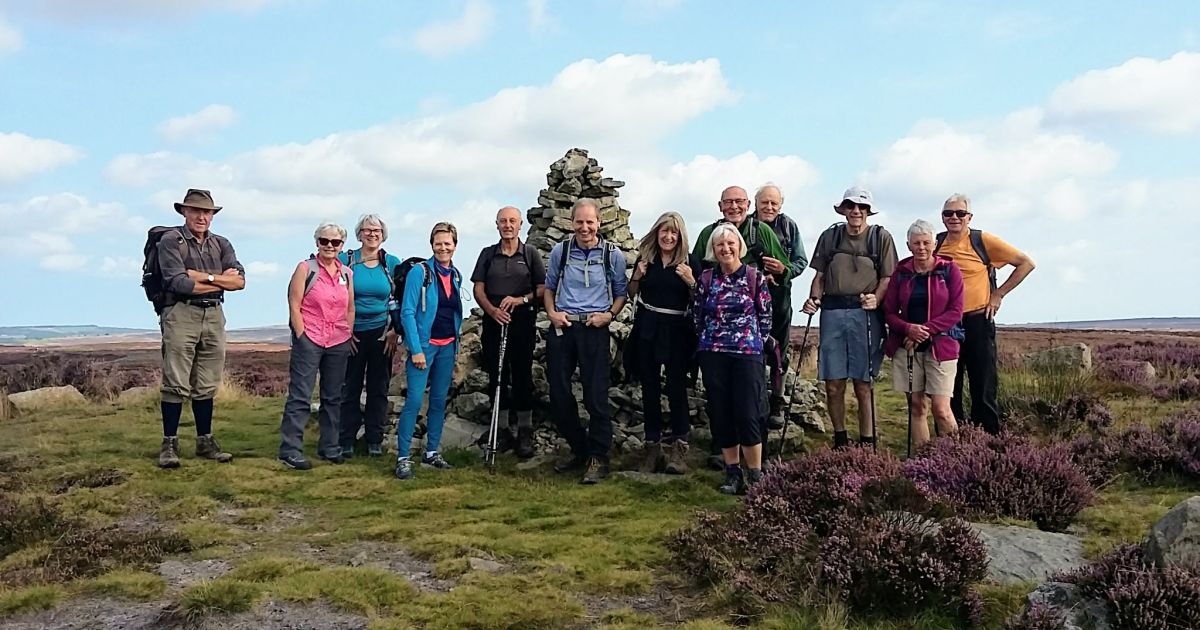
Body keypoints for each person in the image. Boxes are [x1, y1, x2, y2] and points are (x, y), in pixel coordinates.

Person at [692, 185, 791, 468]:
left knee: (751, 408)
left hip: (748, 348)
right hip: (714, 348)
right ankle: (727, 463)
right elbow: (697, 299)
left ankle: (756, 468)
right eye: (728, 202)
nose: (734, 207)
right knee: (720, 407)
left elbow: (784, 272)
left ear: (747, 204)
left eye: (739, 202)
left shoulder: (762, 235)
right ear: (720, 205)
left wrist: (780, 272)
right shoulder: (707, 238)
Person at [155, 189, 245, 469]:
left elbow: (240, 281)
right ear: (184, 212)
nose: (202, 217)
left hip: (214, 314)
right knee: (176, 380)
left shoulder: (222, 243)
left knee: (207, 381)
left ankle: (204, 440)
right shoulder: (171, 241)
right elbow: (179, 283)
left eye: (206, 212)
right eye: (195, 211)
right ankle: (169, 443)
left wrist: (202, 276)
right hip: (180, 312)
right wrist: (221, 280)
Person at [801, 186, 898, 449]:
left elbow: (888, 278)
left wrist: (876, 298)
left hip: (866, 315)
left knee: (863, 382)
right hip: (832, 312)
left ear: (868, 211)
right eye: (851, 206)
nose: (856, 211)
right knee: (833, 383)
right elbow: (819, 276)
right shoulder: (830, 237)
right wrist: (814, 299)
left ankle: (867, 442)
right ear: (843, 209)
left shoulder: (881, 238)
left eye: (862, 207)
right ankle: (841, 440)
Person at [544, 198, 628, 485]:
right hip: (564, 327)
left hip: (594, 328)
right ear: (571, 223)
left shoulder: (612, 255)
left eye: (590, 222)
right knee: (558, 392)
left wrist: (609, 316)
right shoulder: (561, 251)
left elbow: (620, 293)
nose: (584, 227)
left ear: (599, 223)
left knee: (596, 395)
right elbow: (549, 287)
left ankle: (598, 457)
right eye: (579, 222)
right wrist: (552, 313)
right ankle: (580, 449)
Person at [936, 193, 1036, 434]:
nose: (954, 218)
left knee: (984, 385)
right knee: (949, 387)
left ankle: (988, 443)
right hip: (946, 325)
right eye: (949, 213)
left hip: (979, 320)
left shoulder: (983, 240)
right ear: (942, 217)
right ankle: (951, 444)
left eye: (960, 213)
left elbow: (1026, 263)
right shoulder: (936, 243)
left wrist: (999, 294)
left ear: (969, 217)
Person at [693, 223, 772, 494]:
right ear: (713, 250)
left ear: (739, 246)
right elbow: (697, 316)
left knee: (748, 414)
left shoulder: (754, 277)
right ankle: (732, 473)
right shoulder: (705, 279)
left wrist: (753, 341)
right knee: (722, 413)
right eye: (720, 245)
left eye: (730, 243)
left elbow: (765, 317)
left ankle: (755, 475)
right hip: (713, 353)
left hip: (747, 355)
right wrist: (709, 342)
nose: (725, 248)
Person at [626, 211, 699, 474]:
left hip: (678, 331)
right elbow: (631, 294)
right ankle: (652, 448)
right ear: (656, 233)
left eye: (674, 232)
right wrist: (636, 276)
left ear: (680, 237)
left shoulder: (690, 263)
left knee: (677, 388)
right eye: (664, 231)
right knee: (649, 388)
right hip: (647, 328)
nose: (668, 237)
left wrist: (692, 282)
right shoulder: (646, 260)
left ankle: (679, 449)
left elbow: (700, 300)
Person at [471, 206, 546, 459]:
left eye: (512, 221)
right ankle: (501, 429)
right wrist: (492, 311)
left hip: (523, 321)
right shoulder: (487, 254)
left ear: (520, 224)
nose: (508, 225)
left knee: (523, 373)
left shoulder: (530, 254)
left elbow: (542, 288)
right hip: (494, 322)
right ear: (497, 224)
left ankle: (525, 430)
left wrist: (520, 300)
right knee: (497, 373)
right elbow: (478, 289)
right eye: (503, 221)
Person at [279, 223, 355, 470]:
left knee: (333, 397)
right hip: (310, 337)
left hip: (338, 340)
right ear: (317, 243)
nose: (330, 246)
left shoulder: (346, 273)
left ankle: (329, 447)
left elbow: (350, 307)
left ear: (342, 245)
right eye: (325, 241)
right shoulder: (305, 268)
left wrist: (348, 331)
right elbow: (294, 303)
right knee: (301, 394)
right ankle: (290, 450)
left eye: (335, 242)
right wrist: (301, 334)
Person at [883, 220, 964, 448]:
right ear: (908, 245)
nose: (921, 247)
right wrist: (908, 328)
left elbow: (956, 311)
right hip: (907, 346)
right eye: (916, 243)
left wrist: (924, 330)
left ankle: (957, 461)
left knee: (941, 408)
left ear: (934, 244)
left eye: (926, 242)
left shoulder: (949, 270)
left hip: (943, 346)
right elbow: (889, 312)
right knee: (917, 406)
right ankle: (923, 463)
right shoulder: (901, 273)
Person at [394, 222, 464, 481]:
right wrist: (415, 349)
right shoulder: (419, 273)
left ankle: (432, 452)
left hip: (447, 346)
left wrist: (455, 346)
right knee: (413, 401)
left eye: (448, 243)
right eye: (439, 243)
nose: (443, 248)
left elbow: (455, 311)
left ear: (455, 246)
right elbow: (408, 311)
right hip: (424, 347)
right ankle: (403, 458)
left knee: (437, 401)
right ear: (431, 244)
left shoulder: (455, 274)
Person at [338, 214, 401, 458]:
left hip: (382, 334)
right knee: (349, 387)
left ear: (383, 234)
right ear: (359, 233)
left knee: (378, 388)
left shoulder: (392, 263)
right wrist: (344, 332)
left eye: (376, 230)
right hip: (350, 333)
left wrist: (396, 330)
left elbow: (402, 298)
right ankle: (346, 440)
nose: (372, 234)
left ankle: (375, 439)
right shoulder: (346, 260)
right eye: (367, 230)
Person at [751, 182, 809, 430]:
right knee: (751, 348)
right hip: (748, 296)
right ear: (756, 203)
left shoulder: (788, 226)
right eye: (764, 202)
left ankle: (777, 401)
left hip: (780, 296)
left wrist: (784, 270)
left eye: (774, 203)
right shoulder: (747, 225)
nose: (769, 207)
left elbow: (801, 260)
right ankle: (753, 399)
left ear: (781, 205)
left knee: (779, 348)